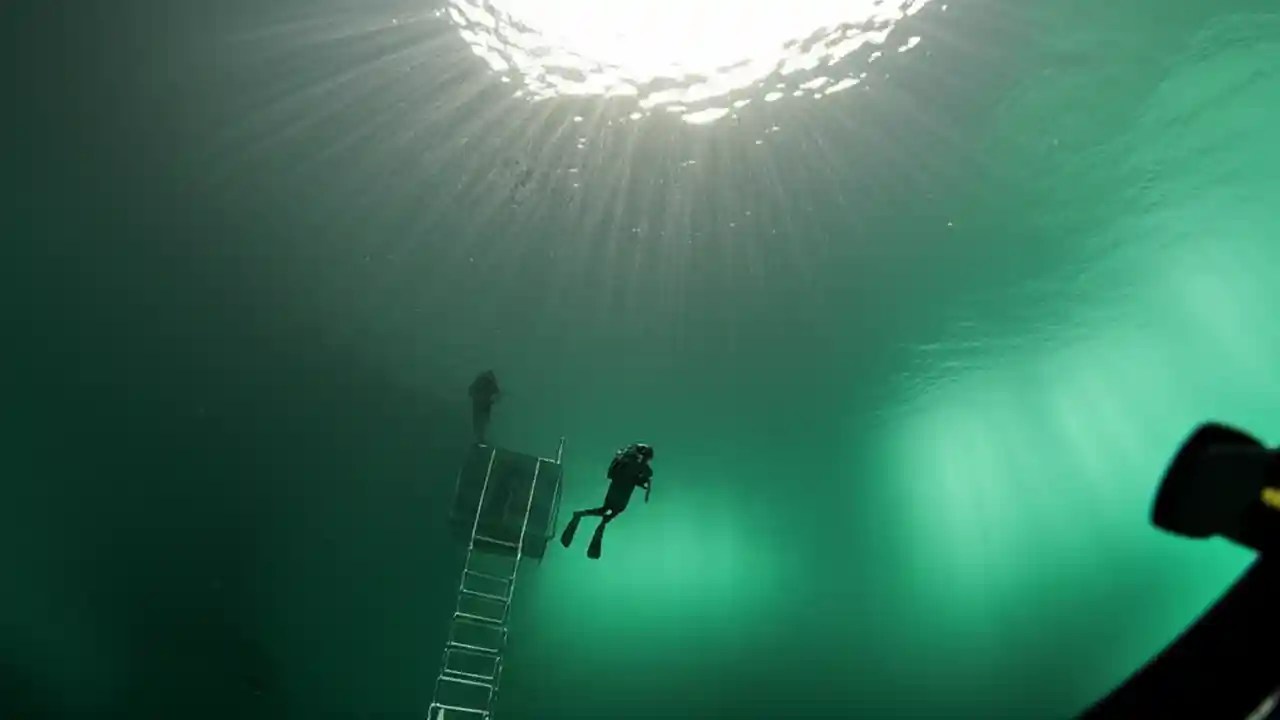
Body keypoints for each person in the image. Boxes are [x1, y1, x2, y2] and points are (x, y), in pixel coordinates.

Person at [560, 443, 654, 559]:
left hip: (613, 492)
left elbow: (623, 476)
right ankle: (598, 526)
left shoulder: (624, 460)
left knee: (605, 509)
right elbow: (646, 474)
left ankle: (583, 515)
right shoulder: (638, 465)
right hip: (622, 496)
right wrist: (644, 483)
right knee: (611, 512)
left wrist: (640, 481)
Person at [468, 370, 500, 444]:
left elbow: (497, 393)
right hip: (479, 405)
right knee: (479, 422)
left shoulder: (489, 383)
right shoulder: (481, 382)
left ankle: (480, 439)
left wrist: (493, 400)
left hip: (484, 406)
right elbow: (470, 391)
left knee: (484, 422)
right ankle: (478, 439)